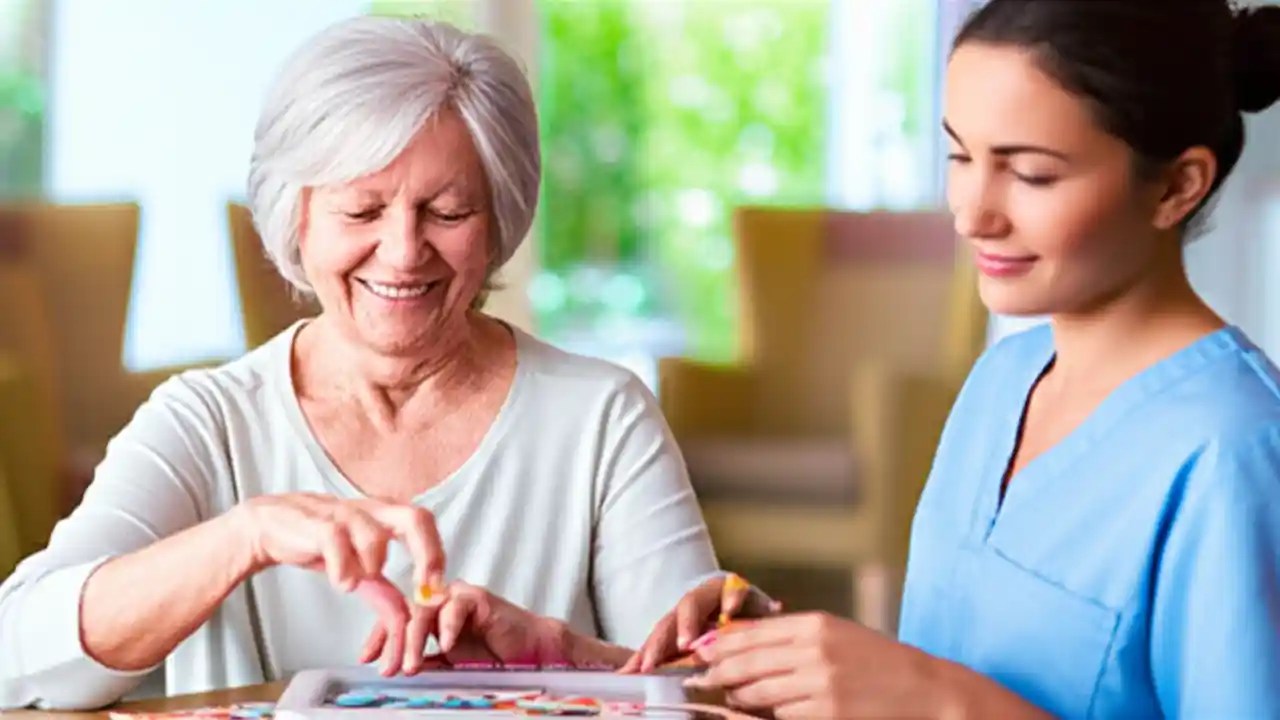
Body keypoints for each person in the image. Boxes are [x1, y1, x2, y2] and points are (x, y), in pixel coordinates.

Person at [0, 16, 719, 711]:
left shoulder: (600, 416)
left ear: (498, 218)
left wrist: (555, 649)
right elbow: (16, 657)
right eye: (362, 212)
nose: (404, 252)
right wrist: (242, 537)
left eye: (447, 211)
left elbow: (714, 684)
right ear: (298, 217)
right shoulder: (209, 420)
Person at [629, 1, 1280, 717]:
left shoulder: (1234, 451)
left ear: (1175, 186)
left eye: (1031, 174)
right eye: (960, 156)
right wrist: (783, 657)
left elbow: (942, 694)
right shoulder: (1001, 383)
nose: (972, 214)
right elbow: (958, 662)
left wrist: (935, 699)